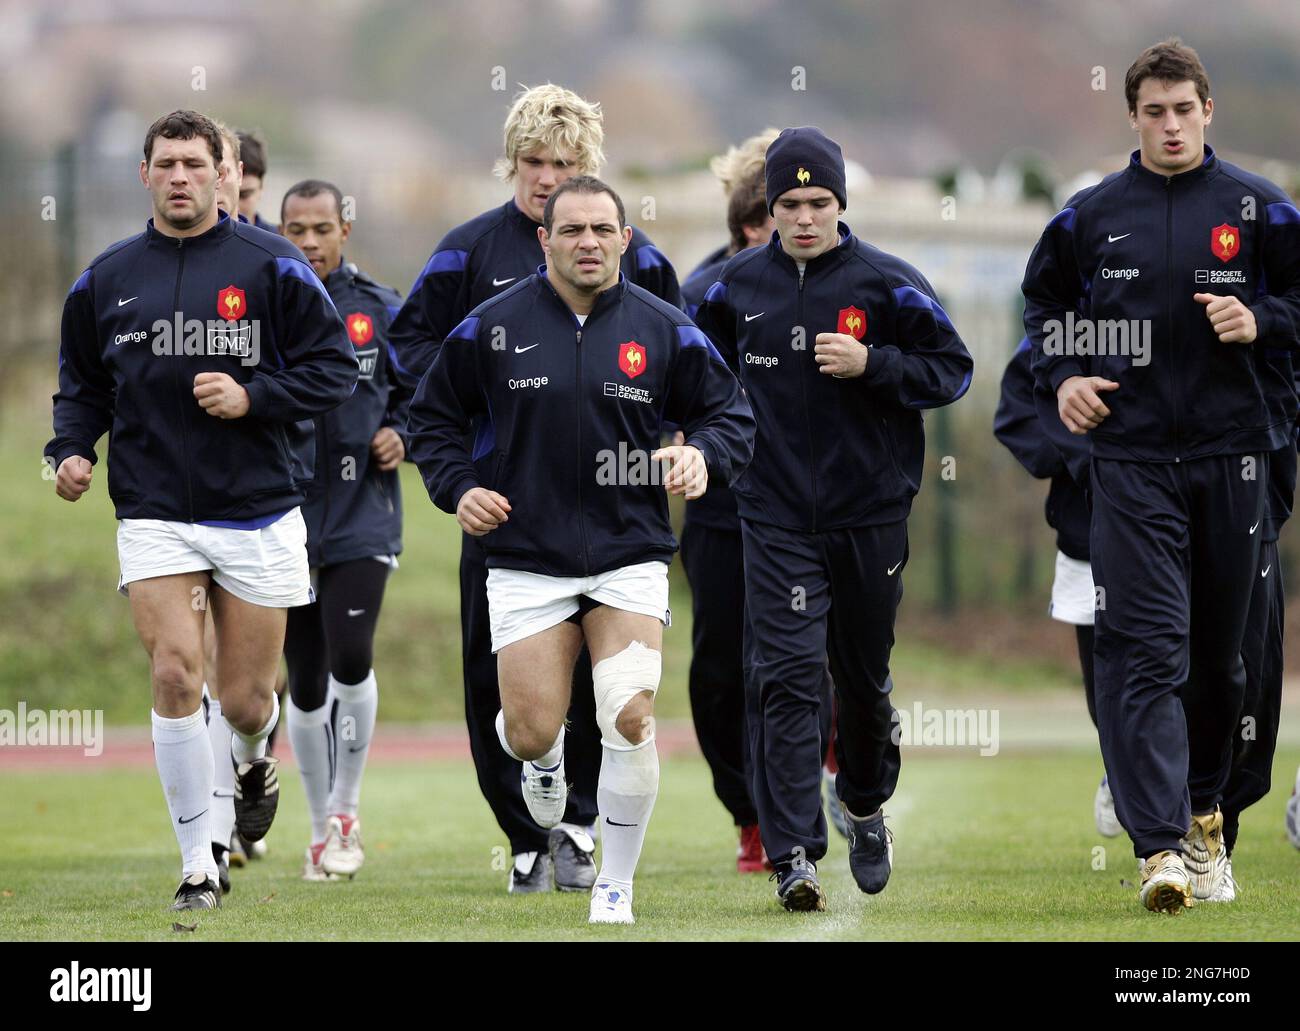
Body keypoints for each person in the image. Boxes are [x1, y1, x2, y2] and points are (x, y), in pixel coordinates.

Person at [408, 175, 754, 924]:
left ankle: (616, 882)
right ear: (545, 239)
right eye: (572, 230)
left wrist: (705, 456)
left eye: (603, 230)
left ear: (625, 239)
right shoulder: (490, 326)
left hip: (630, 551)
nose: (588, 242)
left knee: (629, 713)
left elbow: (730, 413)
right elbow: (429, 419)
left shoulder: (665, 327)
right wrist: (458, 486)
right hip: (526, 555)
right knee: (530, 727)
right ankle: (545, 759)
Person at [45, 109, 357, 910]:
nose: (181, 177)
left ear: (224, 174)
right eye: (166, 163)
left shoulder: (275, 266)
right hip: (153, 510)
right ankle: (197, 861)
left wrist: (253, 394)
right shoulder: (107, 277)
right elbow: (81, 384)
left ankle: (254, 759)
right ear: (144, 174)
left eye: (196, 163)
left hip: (254, 510)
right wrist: (71, 449)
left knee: (249, 698)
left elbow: (334, 372)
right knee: (177, 670)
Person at [1024, 38, 1300, 913]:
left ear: (1208, 110)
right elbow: (1044, 310)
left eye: (1185, 109)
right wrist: (1065, 376)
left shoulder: (1261, 210)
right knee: (1145, 652)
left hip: (1236, 458)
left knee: (1224, 663)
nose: (1171, 125)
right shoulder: (1089, 216)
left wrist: (1258, 320)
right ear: (1134, 117)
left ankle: (1207, 816)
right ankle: (1158, 849)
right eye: (1154, 111)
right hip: (1131, 464)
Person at [389, 83, 682, 893]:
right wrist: (485, 421)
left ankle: (581, 827)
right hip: (503, 506)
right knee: (505, 688)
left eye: (566, 164)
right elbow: (412, 349)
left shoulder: (636, 252)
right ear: (512, 163)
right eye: (534, 163)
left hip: (613, 515)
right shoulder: (467, 251)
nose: (548, 179)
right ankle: (522, 836)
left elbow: (676, 360)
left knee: (608, 684)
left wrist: (671, 444)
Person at [695, 126, 973, 912]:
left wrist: (873, 364)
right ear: (770, 208)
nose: (805, 217)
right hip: (773, 514)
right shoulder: (734, 287)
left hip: (870, 513)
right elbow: (696, 370)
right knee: (784, 677)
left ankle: (862, 801)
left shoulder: (888, 283)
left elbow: (952, 368)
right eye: (790, 203)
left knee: (862, 680)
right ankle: (793, 854)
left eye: (819, 202)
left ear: (841, 203)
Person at [279, 178, 408, 881]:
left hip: (365, 514)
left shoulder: (380, 308)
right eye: (294, 229)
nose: (307, 242)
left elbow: (426, 388)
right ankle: (317, 828)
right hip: (284, 517)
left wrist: (403, 430)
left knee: (351, 653)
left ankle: (347, 811)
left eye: (320, 229)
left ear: (344, 230)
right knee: (303, 681)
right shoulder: (266, 308)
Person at [679, 130, 776, 872]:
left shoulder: (858, 279)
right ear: (751, 224)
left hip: (819, 506)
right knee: (720, 666)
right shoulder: (700, 295)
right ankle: (748, 812)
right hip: (722, 508)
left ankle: (820, 775)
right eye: (787, 207)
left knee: (811, 657)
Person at [993, 337, 1118, 836]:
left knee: (1181, 663)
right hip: (1087, 533)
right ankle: (1122, 766)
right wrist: (1081, 460)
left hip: (1178, 527)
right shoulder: (1061, 324)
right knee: (1103, 679)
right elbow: (1014, 414)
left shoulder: (1175, 293)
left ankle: (1166, 783)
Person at [236, 130, 276, 231]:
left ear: (262, 186)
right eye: (224, 193)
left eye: (244, 195)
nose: (235, 207)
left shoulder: (281, 243)